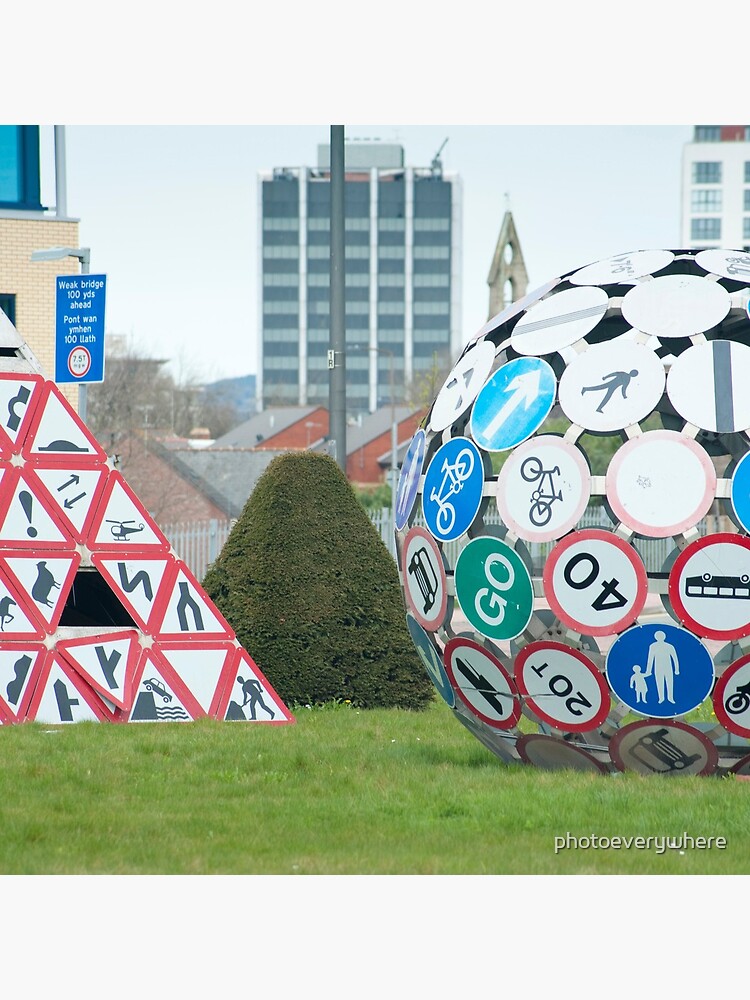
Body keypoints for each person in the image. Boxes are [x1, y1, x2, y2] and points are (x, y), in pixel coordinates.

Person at [644, 630, 679, 704]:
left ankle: (670, 698)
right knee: (659, 683)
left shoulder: (669, 646)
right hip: (658, 668)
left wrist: (677, 669)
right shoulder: (653, 646)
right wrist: (648, 671)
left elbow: (675, 658)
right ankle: (661, 698)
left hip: (668, 667)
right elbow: (650, 659)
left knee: (669, 682)